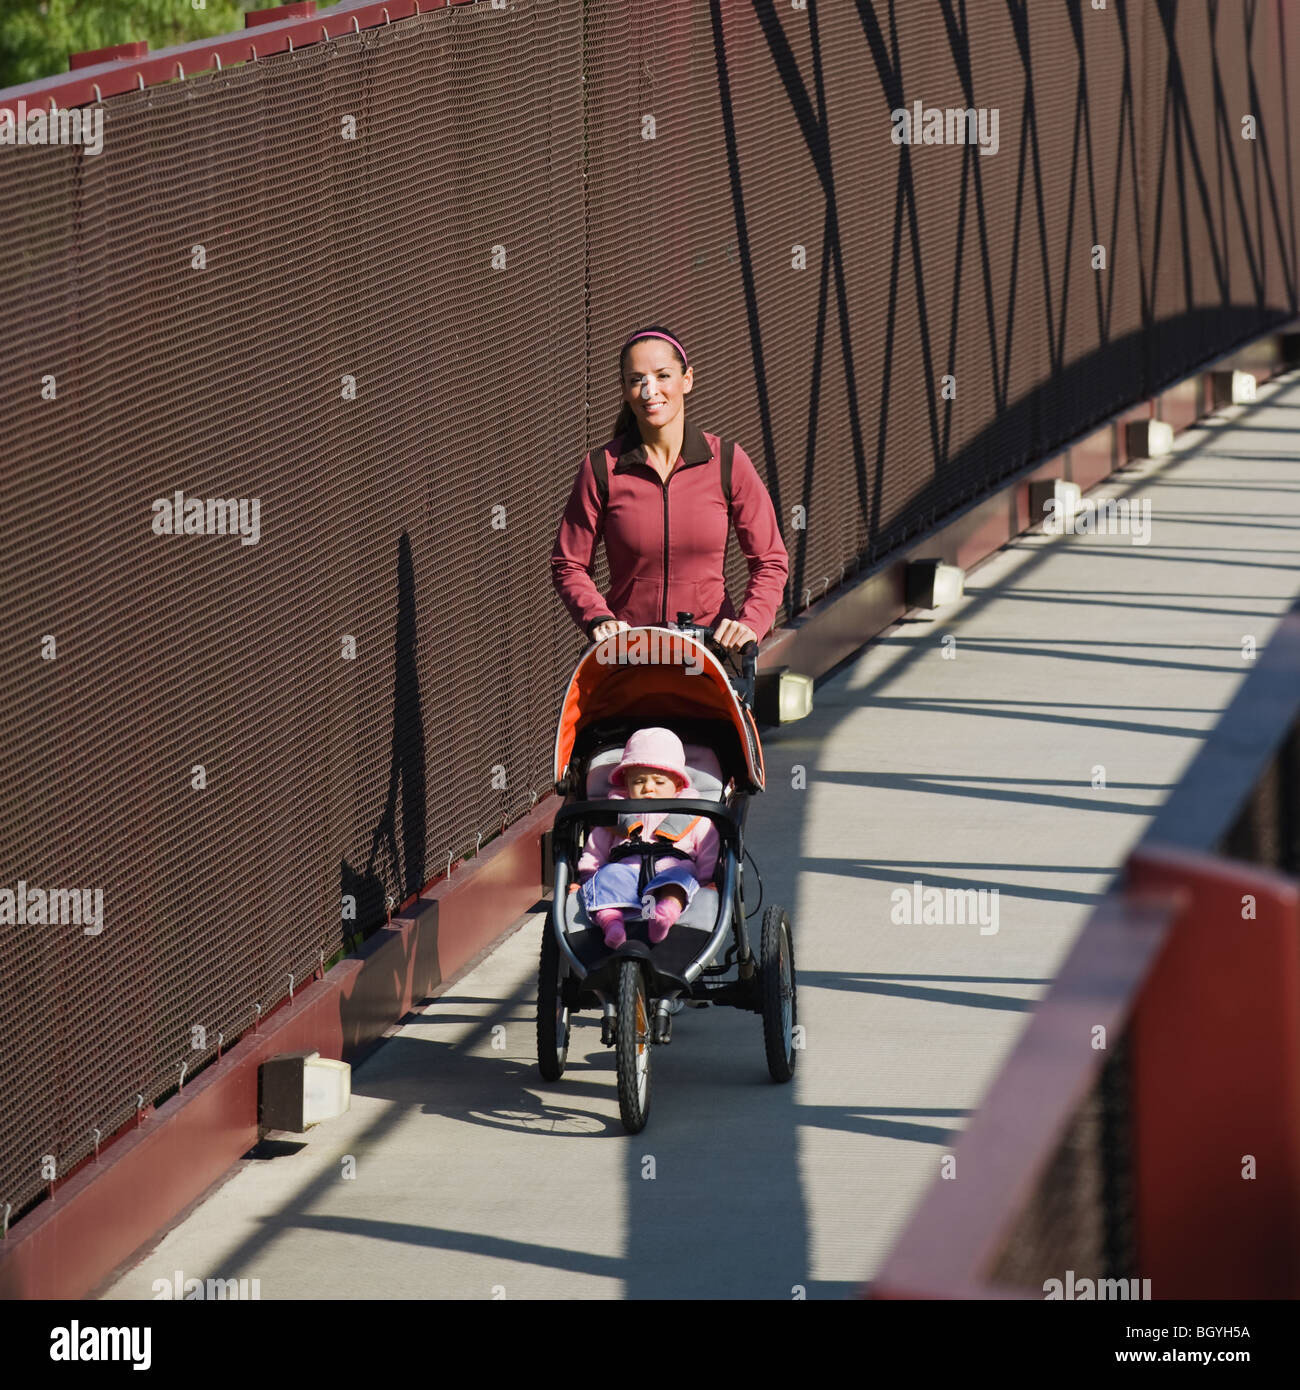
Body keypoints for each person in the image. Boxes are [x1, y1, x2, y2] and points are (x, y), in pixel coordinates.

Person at [550, 325, 789, 650]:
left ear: (686, 379)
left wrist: (750, 624)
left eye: (663, 375)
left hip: (709, 657)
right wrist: (599, 619)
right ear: (624, 389)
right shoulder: (601, 468)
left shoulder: (727, 461)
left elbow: (770, 560)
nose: (650, 390)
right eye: (637, 380)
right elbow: (569, 563)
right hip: (628, 655)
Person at [576, 728, 720, 949]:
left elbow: (709, 849)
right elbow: (595, 850)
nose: (648, 789)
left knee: (679, 879)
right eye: (638, 781)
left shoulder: (694, 816)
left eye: (659, 783)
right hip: (625, 870)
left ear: (679, 785)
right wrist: (588, 877)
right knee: (606, 877)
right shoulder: (614, 816)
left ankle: (665, 915)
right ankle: (612, 925)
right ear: (625, 783)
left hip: (671, 868)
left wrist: (707, 879)